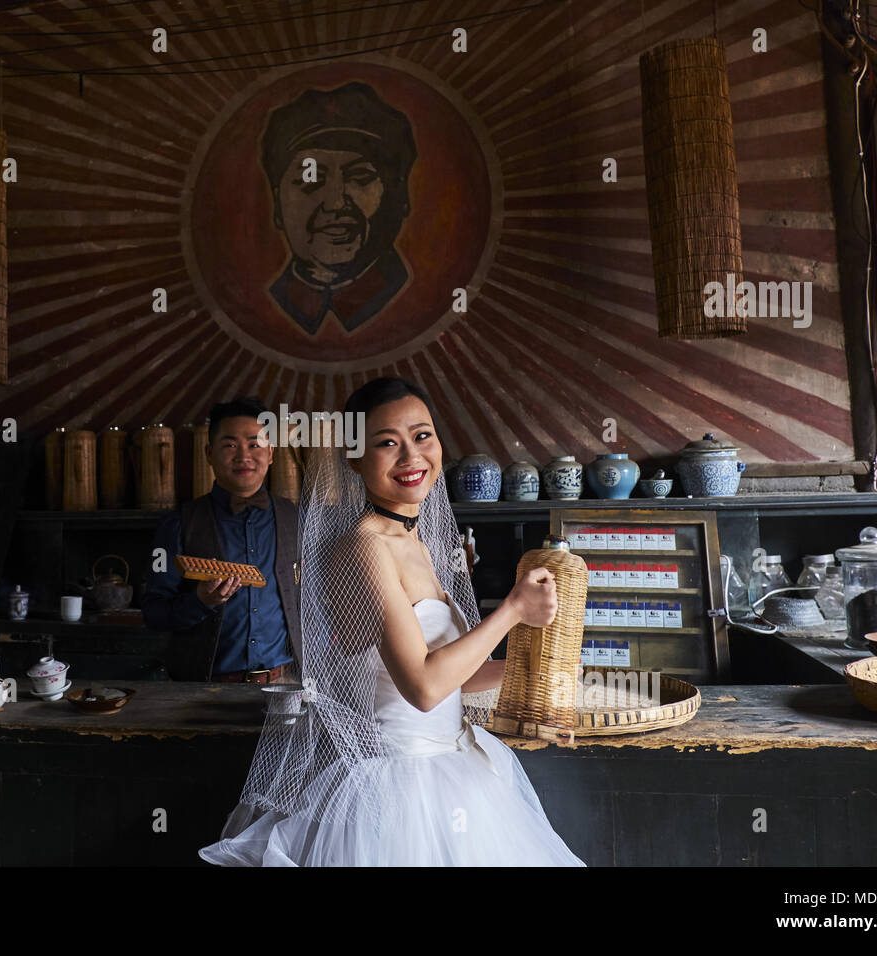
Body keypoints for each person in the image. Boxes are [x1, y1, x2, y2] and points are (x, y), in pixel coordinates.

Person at [199, 377, 586, 866]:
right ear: (356, 460)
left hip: (454, 764)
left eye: (422, 436)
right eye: (387, 443)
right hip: (400, 785)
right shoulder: (365, 547)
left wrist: (535, 672)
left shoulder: (415, 543)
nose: (411, 457)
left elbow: (453, 681)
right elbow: (423, 688)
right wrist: (512, 611)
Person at [142, 397, 301, 683]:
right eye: (230, 445)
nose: (243, 456)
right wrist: (200, 602)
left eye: (255, 444)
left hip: (285, 683)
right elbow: (154, 613)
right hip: (204, 688)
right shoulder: (176, 525)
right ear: (209, 453)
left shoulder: (296, 518)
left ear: (272, 452)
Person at [261, 82, 415, 335]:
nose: (335, 203)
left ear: (401, 196)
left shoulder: (418, 299)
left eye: (360, 178)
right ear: (278, 205)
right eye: (310, 180)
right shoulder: (272, 306)